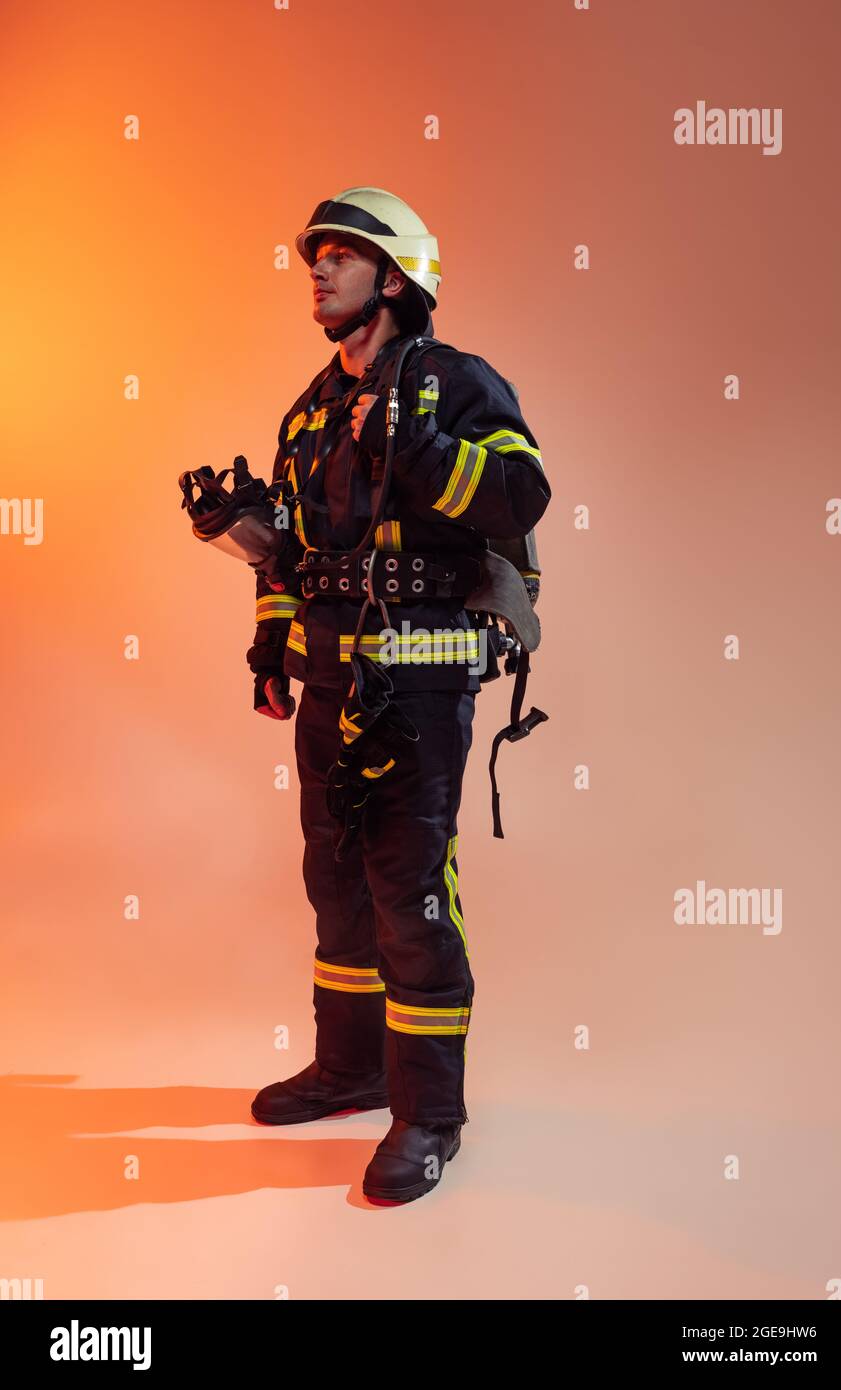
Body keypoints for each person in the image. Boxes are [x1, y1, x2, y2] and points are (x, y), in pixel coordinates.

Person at [248, 187, 551, 1203]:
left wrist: (417, 454)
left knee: (409, 888)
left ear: (395, 275)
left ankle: (430, 1113)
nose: (319, 272)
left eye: (341, 256)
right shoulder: (311, 407)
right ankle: (351, 1069)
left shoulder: (455, 384)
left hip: (422, 676)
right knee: (333, 879)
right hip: (334, 672)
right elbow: (294, 550)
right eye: (316, 258)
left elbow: (521, 494)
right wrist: (269, 639)